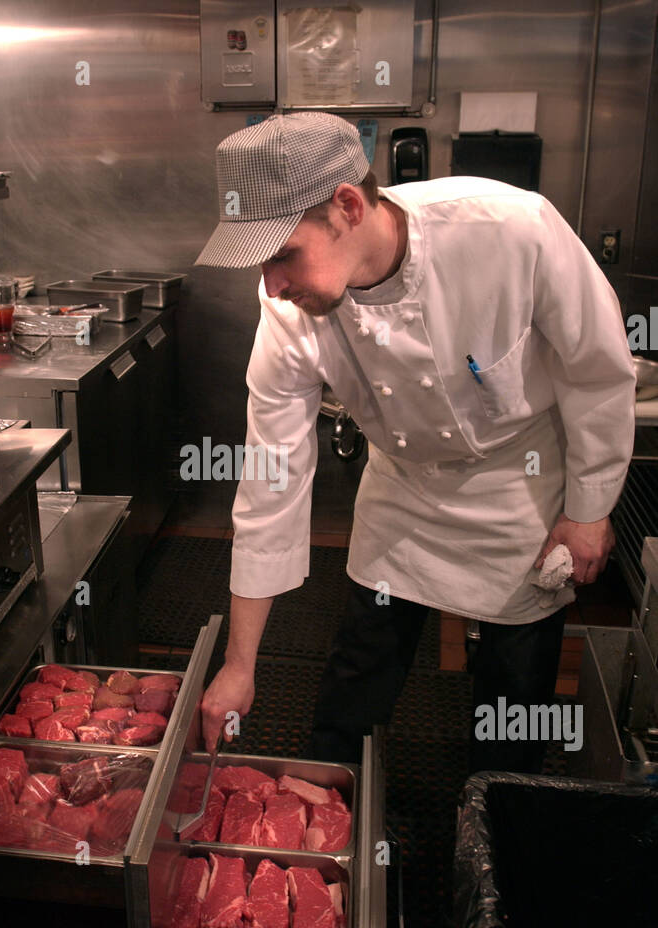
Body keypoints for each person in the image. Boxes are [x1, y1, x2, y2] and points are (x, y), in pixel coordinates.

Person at [195, 112, 636, 773]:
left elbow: (595, 369)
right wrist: (238, 666)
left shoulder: (509, 229)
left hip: (516, 491)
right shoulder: (289, 314)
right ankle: (334, 821)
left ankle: (493, 839)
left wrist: (589, 510)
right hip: (402, 491)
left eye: (282, 255)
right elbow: (269, 485)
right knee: (357, 676)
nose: (271, 286)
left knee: (512, 701)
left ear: (346, 205)